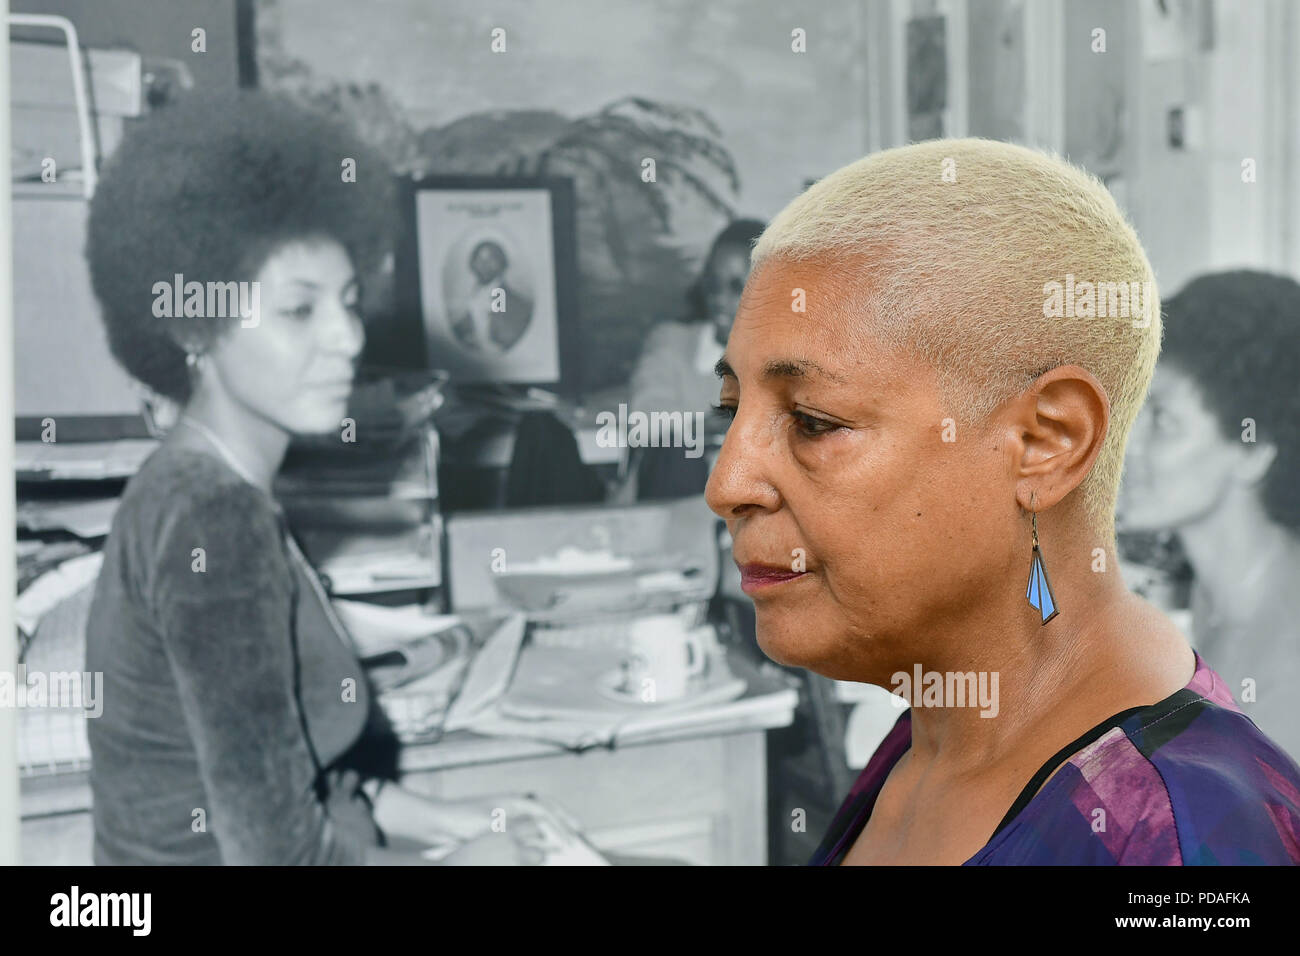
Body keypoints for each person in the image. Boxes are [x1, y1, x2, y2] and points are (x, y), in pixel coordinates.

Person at [705, 138, 1300, 865]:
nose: (726, 484)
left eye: (814, 422)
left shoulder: (1182, 837)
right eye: (728, 408)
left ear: (1047, 441)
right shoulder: (942, 727)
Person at [83, 90, 540, 865]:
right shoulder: (212, 520)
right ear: (197, 325)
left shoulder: (196, 482)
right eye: (300, 311)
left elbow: (287, 776)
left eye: (350, 302)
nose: (348, 338)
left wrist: (455, 819)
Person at [1119, 270, 1300, 761]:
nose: (1125, 446)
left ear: (1252, 451)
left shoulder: (1290, 646)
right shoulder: (1205, 601)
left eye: (1162, 420)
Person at [628, 218, 765, 500]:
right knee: (677, 450)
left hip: (748, 514)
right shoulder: (673, 342)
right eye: (713, 283)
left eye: (736, 285)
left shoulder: (790, 361)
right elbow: (642, 419)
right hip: (668, 507)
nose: (719, 298)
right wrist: (702, 427)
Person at [449, 238, 534, 353]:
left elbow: (505, 336)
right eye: (480, 259)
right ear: (473, 264)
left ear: (501, 264)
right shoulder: (476, 294)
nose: (484, 265)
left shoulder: (505, 297)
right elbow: (464, 325)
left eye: (491, 259)